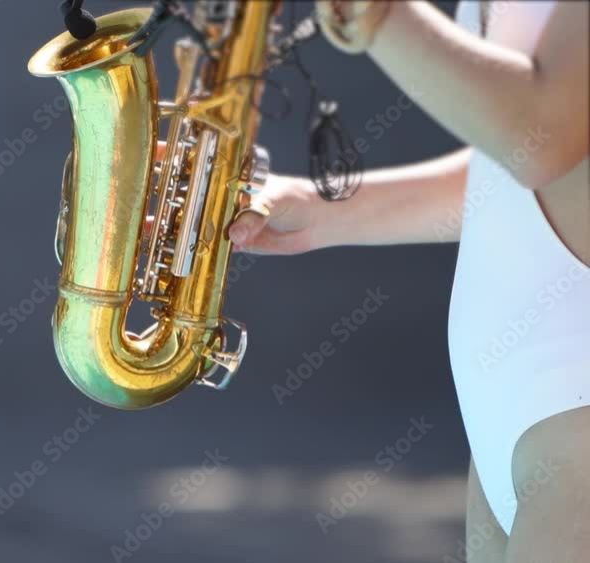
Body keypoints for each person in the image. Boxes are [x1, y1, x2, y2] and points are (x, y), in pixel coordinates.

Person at [227, 1, 588, 561]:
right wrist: (330, 211)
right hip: (513, 419)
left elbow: (546, 136)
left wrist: (373, 15)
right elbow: (519, 161)